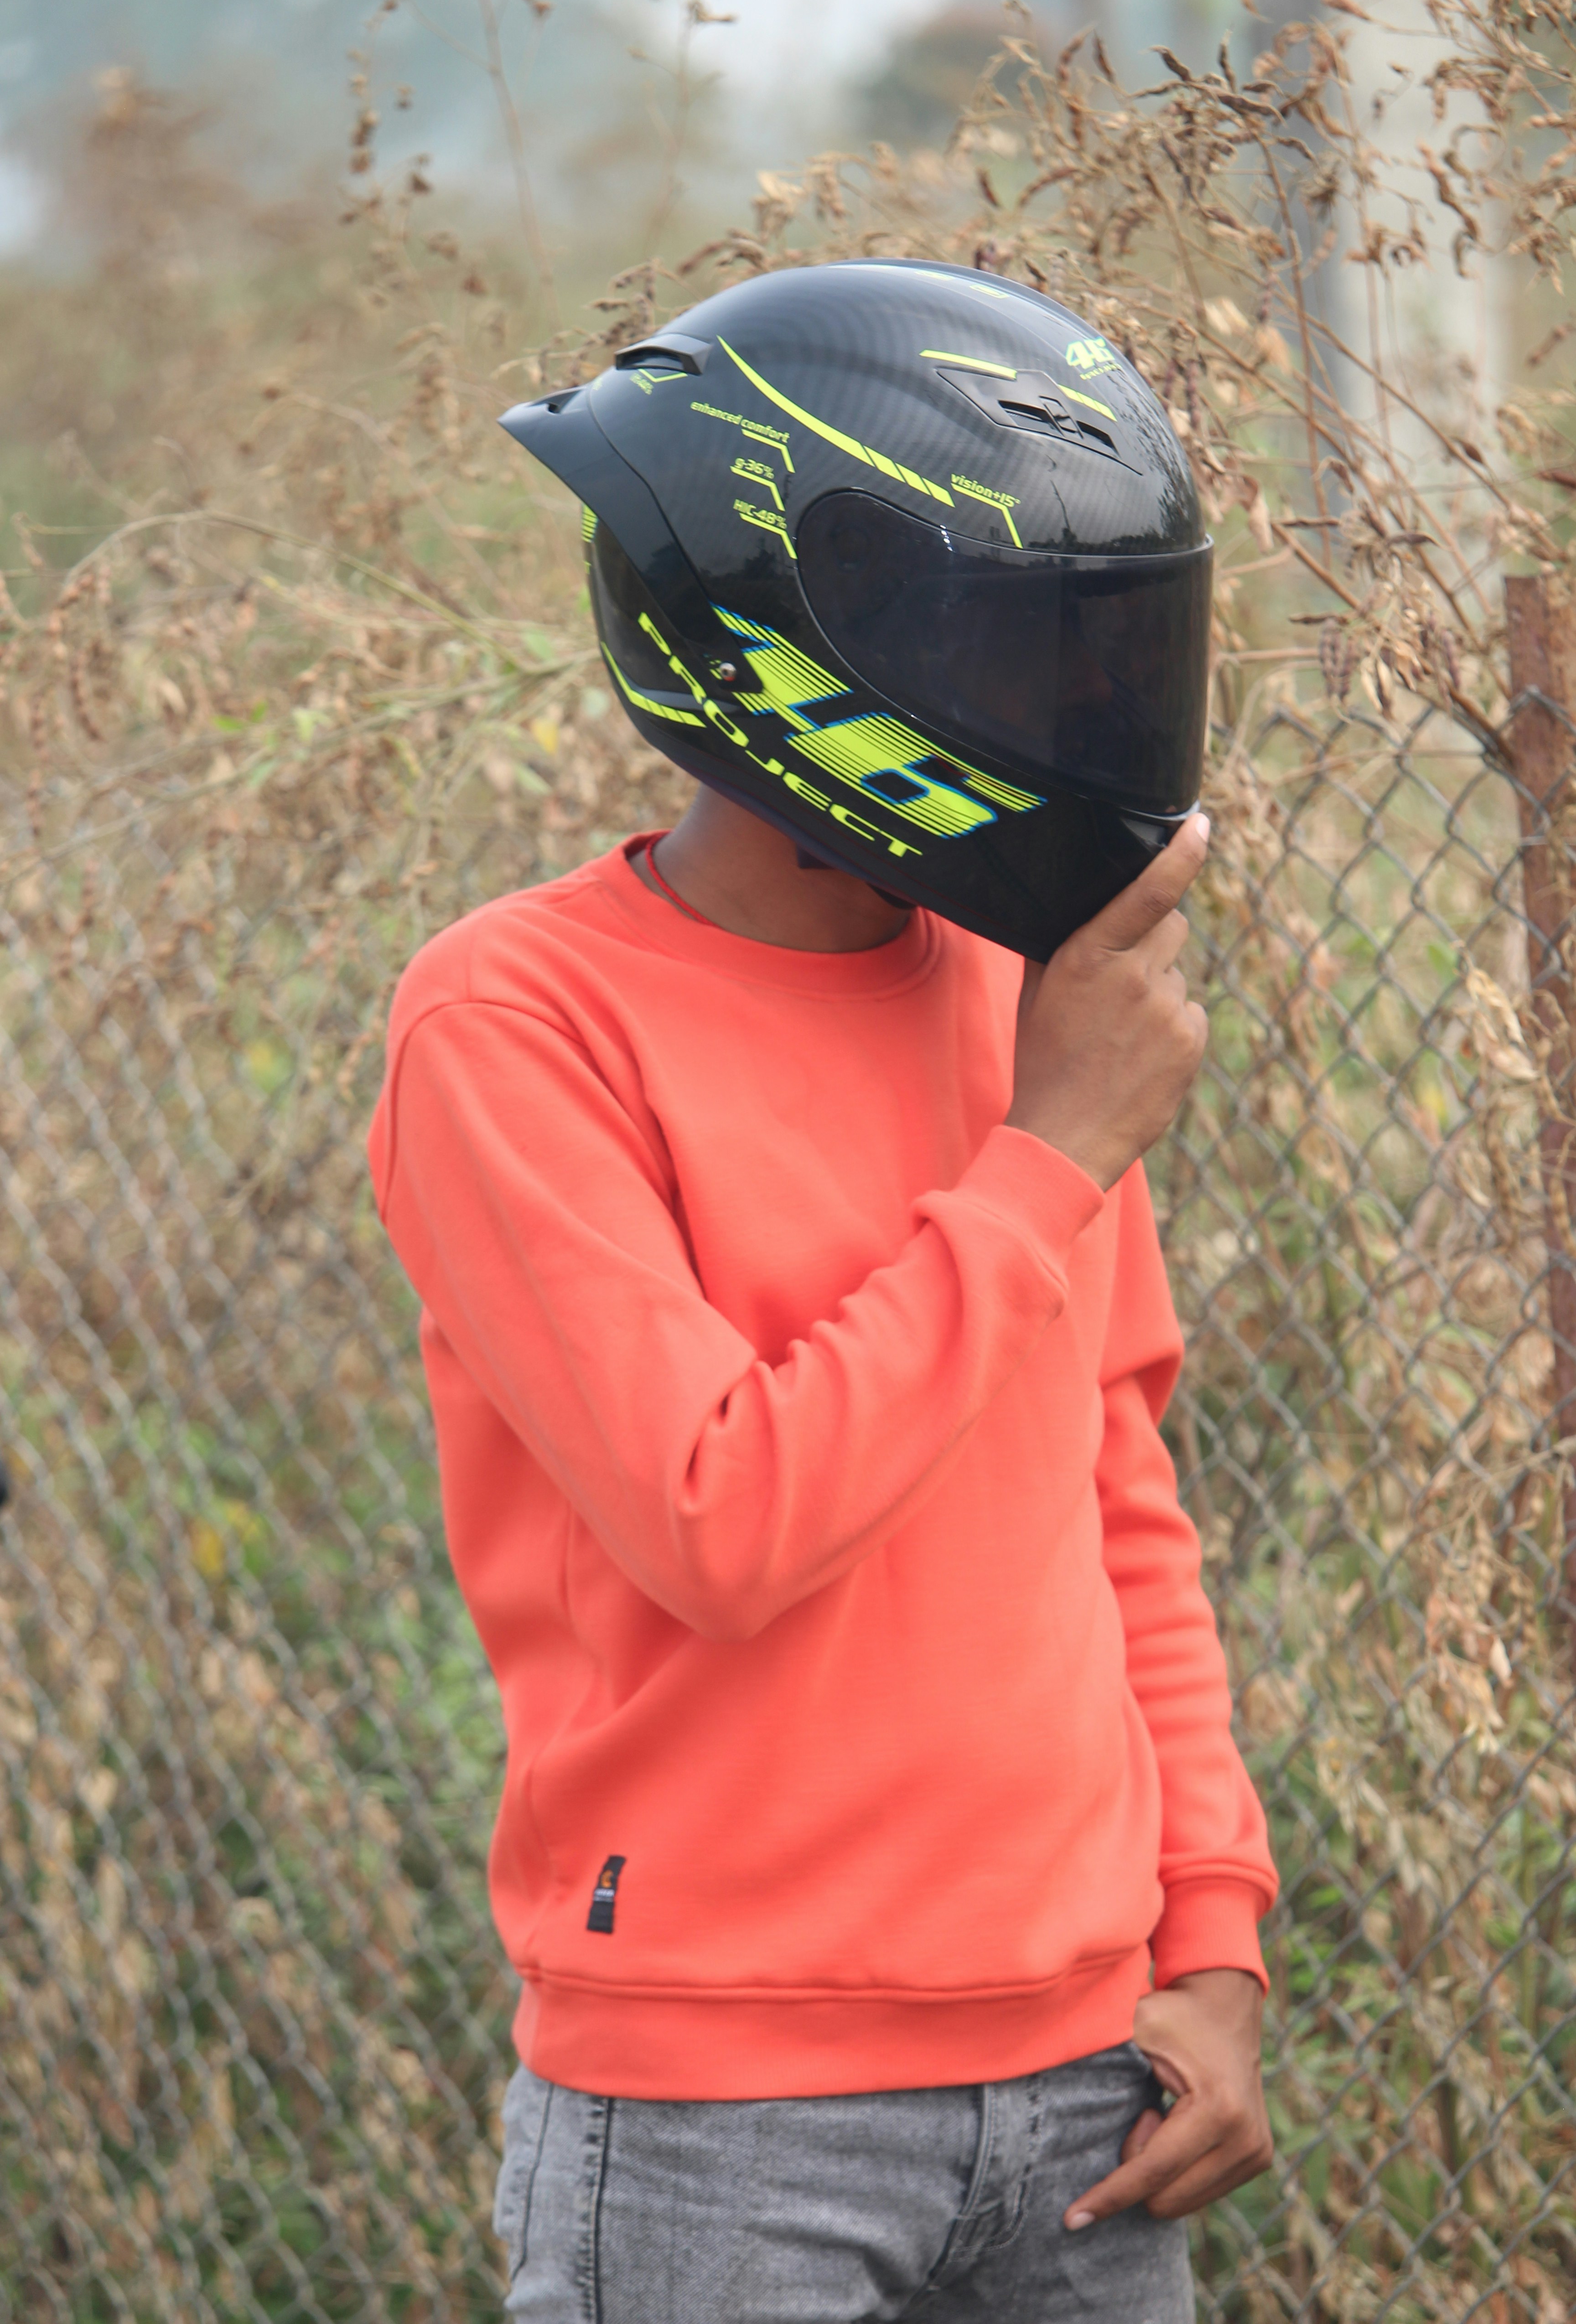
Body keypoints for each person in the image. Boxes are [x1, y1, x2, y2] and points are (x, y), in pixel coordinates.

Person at [368, 259, 1277, 2322]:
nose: (1083, 726)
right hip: (722, 2119)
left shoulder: (1016, 994)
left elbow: (1115, 1496)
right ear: (798, 664)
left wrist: (1210, 1945)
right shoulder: (515, 1023)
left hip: (1085, 2086)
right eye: (1026, 665)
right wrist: (1050, 1150)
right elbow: (721, 1516)